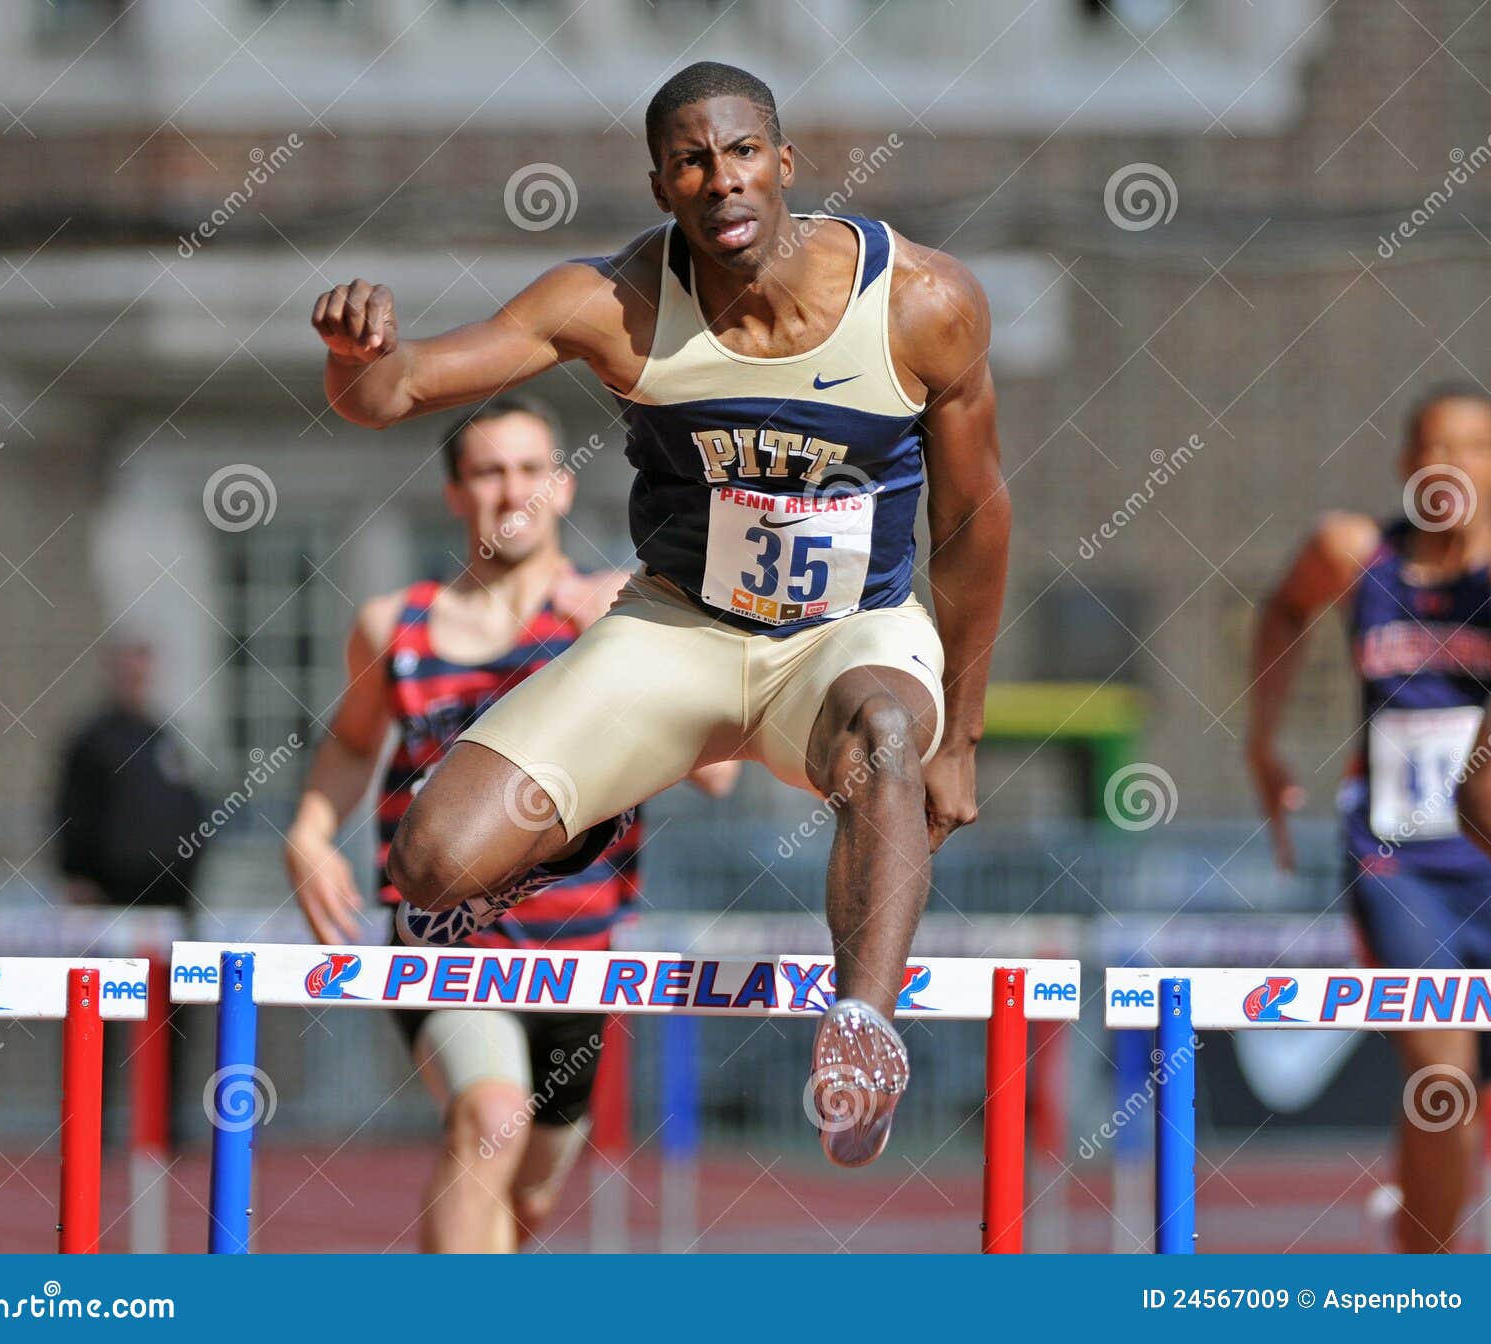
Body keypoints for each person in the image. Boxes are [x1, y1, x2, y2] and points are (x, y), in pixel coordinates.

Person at [310, 61, 1008, 1167]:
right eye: (691, 161)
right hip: (679, 628)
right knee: (432, 867)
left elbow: (973, 524)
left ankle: (862, 1030)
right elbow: (395, 394)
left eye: (739, 155)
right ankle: (574, 829)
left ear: (783, 164)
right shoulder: (614, 305)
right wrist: (358, 361)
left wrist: (959, 735)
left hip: (844, 637)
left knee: (885, 736)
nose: (720, 182)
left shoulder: (919, 303)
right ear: (659, 185)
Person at [285, 397, 737, 1252]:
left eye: (532, 470)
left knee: (521, 1205)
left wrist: (625, 650)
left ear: (563, 488)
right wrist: (307, 834)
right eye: (489, 472)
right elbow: (350, 748)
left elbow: (714, 774)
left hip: (582, 963)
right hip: (449, 944)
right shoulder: (397, 628)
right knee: (488, 1120)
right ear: (456, 493)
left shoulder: (623, 619)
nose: (513, 491)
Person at [1249, 382, 1491, 1253]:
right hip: (1403, 864)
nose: (1450, 464)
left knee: (1459, 1102)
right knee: (1444, 1077)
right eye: (1433, 445)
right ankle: (1426, 1289)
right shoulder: (1358, 556)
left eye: (1472, 447)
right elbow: (1282, 608)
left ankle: (1419, 1227)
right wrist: (1261, 746)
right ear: (1404, 462)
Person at [55, 636, 205, 910]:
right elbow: (72, 810)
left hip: (169, 892)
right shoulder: (93, 740)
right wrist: (75, 873)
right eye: (128, 674)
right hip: (112, 891)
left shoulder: (162, 737)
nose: (135, 681)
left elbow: (190, 802)